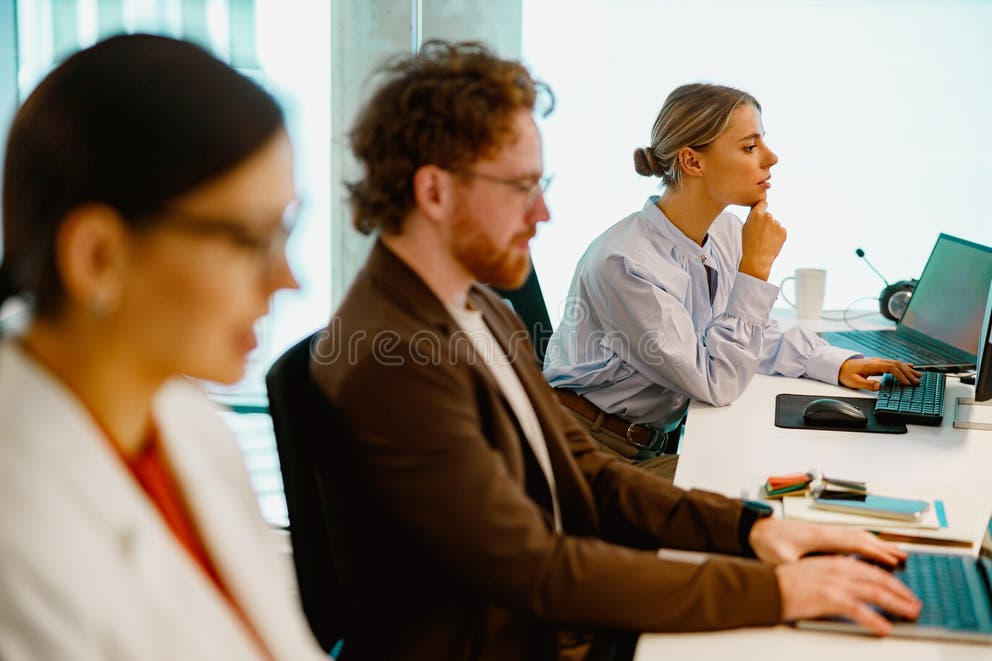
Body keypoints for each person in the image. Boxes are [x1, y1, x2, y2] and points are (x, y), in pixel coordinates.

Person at [311, 41, 920, 661]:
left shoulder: (478, 309)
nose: (543, 212)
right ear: (435, 192)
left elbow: (593, 476)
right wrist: (772, 590)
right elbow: (539, 572)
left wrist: (753, 529)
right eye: (521, 187)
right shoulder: (397, 359)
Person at [0, 35, 328, 660]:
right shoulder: (14, 530)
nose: (289, 279)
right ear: (98, 257)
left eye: (285, 232)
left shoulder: (184, 418)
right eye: (249, 240)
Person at [543, 83, 920, 478]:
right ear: (693, 161)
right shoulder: (626, 265)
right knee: (763, 487)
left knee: (792, 478)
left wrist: (836, 363)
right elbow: (715, 380)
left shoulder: (721, 230)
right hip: (589, 450)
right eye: (749, 147)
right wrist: (754, 271)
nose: (772, 158)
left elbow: (741, 332)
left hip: (645, 441)